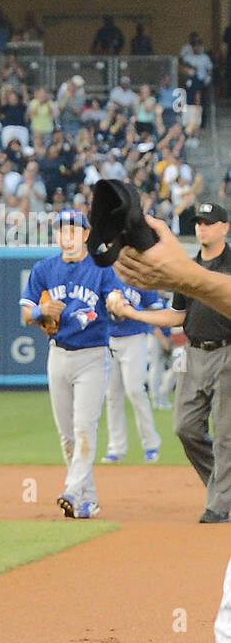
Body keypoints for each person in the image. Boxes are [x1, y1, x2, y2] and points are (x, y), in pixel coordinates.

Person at [114, 211, 231, 643]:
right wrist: (160, 293)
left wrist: (181, 272)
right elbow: (186, 311)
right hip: (199, 351)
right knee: (194, 426)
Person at [117, 201, 231, 522]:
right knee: (184, 427)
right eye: (199, 222)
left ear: (225, 227)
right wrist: (132, 313)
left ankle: (218, 506)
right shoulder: (186, 265)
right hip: (194, 353)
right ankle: (222, 488)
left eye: (209, 222)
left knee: (225, 436)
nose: (202, 227)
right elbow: (178, 316)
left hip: (227, 351)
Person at [19, 211, 120, 519]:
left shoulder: (101, 267)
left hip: (92, 355)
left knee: (84, 428)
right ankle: (86, 500)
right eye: (63, 228)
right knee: (68, 436)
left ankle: (71, 491)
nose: (69, 234)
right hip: (58, 355)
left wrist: (116, 302)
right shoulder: (44, 269)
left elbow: (114, 297)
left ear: (86, 235)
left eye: (75, 228)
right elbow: (25, 314)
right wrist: (41, 311)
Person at [101, 279, 166, 463]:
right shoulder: (105, 274)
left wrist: (130, 310)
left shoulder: (137, 275)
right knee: (112, 395)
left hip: (135, 337)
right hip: (109, 338)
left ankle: (151, 445)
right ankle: (116, 448)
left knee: (135, 390)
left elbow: (155, 308)